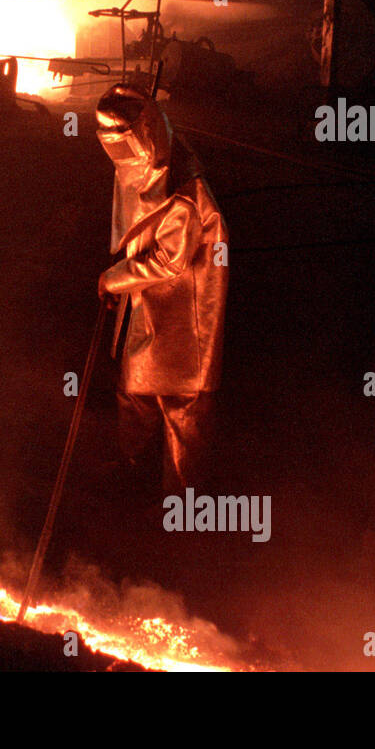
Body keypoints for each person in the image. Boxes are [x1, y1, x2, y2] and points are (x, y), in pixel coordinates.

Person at [94, 84, 227, 499]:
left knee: (183, 410)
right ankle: (131, 467)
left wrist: (113, 278)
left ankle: (184, 506)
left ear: (146, 135)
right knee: (134, 388)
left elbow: (169, 260)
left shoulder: (183, 192)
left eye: (124, 142)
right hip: (155, 305)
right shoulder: (152, 163)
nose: (119, 154)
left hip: (186, 318)